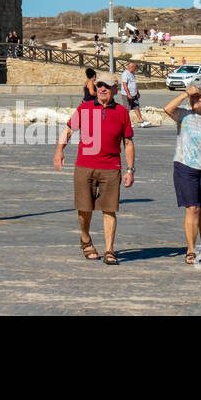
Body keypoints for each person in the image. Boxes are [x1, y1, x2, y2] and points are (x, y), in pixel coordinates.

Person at [53, 75, 135, 264]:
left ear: (115, 89)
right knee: (84, 209)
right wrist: (59, 151)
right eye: (99, 85)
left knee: (109, 210)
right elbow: (68, 131)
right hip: (85, 166)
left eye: (107, 86)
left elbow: (128, 142)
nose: (102, 89)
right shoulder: (85, 108)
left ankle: (109, 250)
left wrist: (130, 169)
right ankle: (85, 239)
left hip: (111, 167)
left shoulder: (122, 112)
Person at [166, 81, 201, 264]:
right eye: (193, 97)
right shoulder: (184, 114)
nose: (195, 100)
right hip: (186, 167)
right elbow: (167, 109)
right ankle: (191, 250)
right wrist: (185, 94)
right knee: (192, 208)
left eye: (199, 96)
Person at [120, 62, 148, 127]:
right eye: (135, 67)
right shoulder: (125, 74)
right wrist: (128, 94)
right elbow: (124, 85)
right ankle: (125, 123)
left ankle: (142, 121)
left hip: (134, 94)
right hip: (127, 94)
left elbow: (133, 84)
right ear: (131, 67)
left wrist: (137, 92)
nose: (136, 69)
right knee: (127, 109)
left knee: (136, 107)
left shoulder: (132, 74)